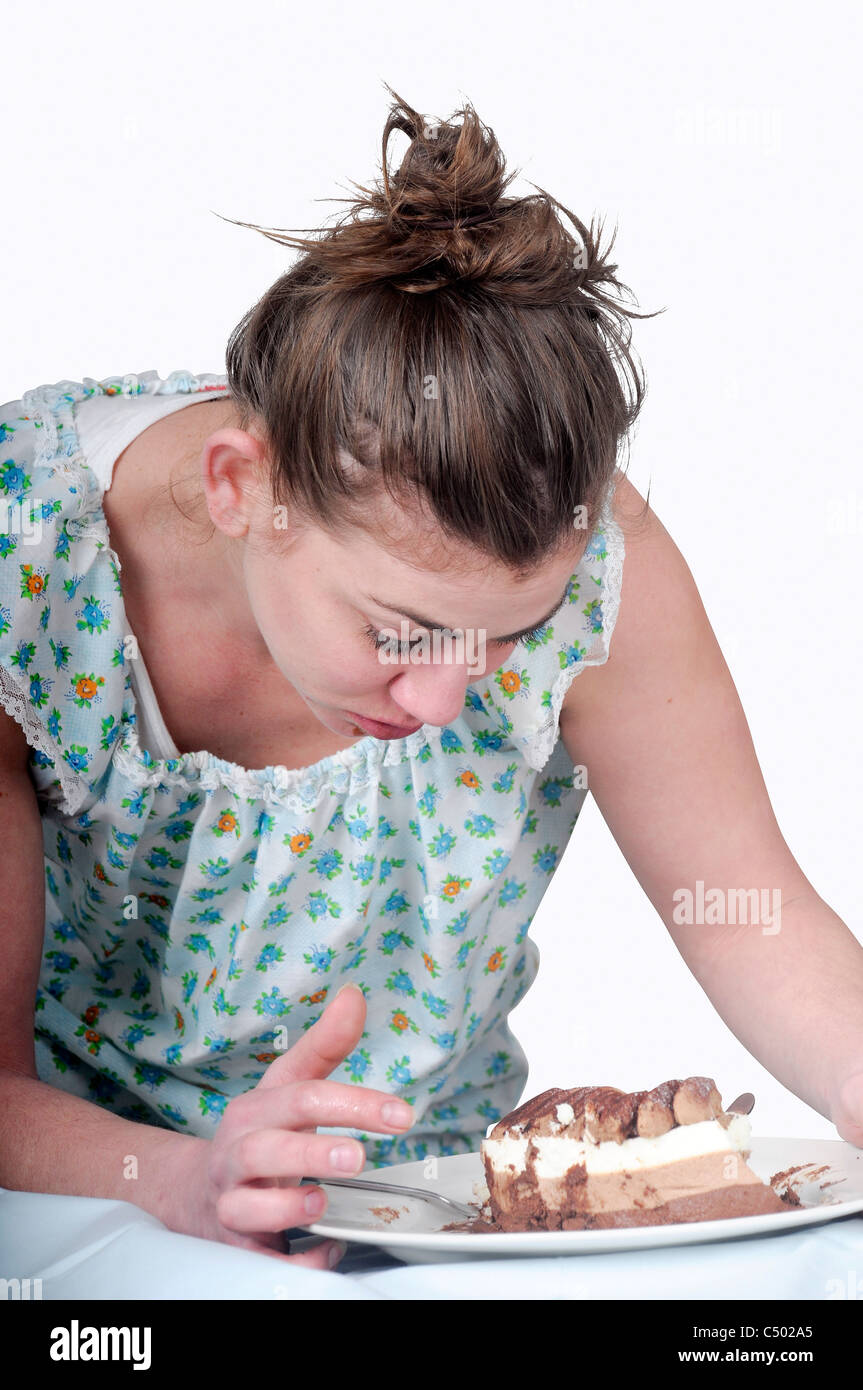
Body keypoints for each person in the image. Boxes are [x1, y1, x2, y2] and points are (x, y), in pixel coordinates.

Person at [1, 87, 861, 1273]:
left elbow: (749, 912)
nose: (446, 703)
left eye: (511, 635)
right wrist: (183, 1179)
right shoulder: (27, 563)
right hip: (85, 1196)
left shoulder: (589, 559)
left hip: (429, 1217)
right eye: (399, 632)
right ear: (242, 487)